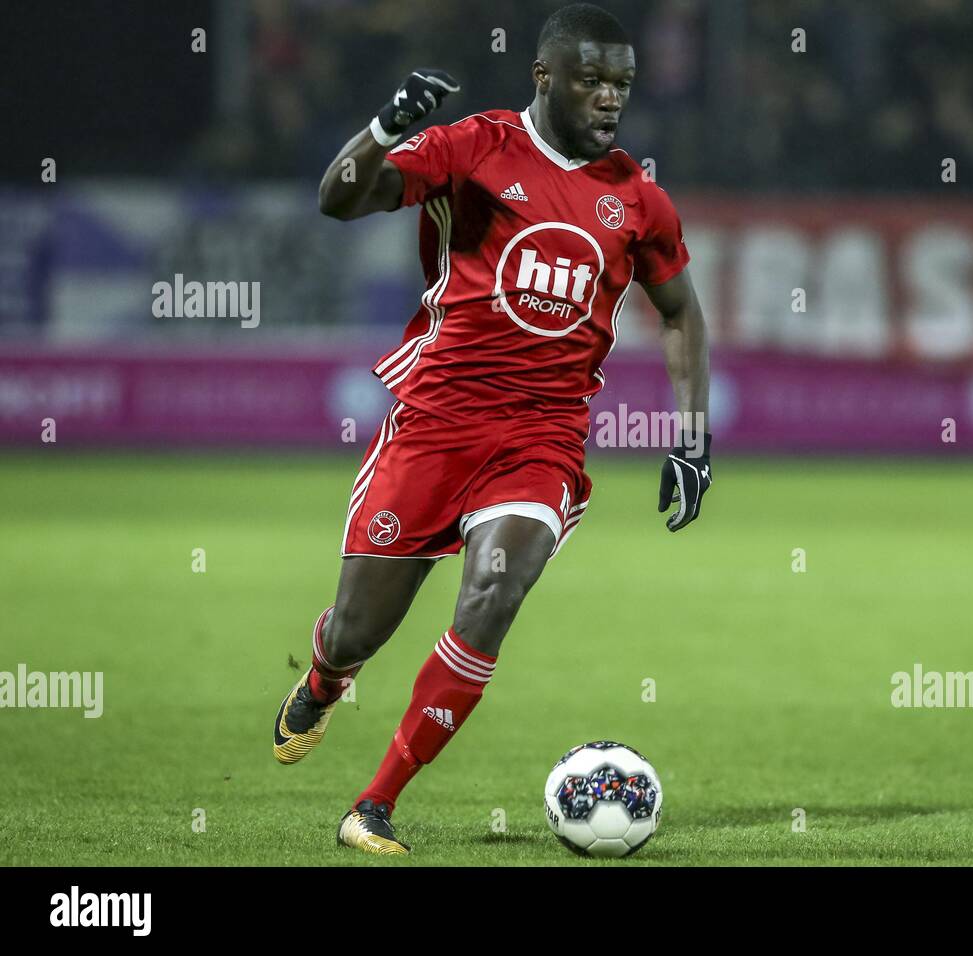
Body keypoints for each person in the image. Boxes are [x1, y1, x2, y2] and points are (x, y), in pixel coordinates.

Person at [272, 2, 713, 854]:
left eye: (621, 82)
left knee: (492, 595)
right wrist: (383, 130)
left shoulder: (639, 199)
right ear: (544, 76)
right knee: (360, 629)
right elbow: (340, 200)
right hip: (434, 424)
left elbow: (680, 311)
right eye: (590, 79)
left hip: (540, 439)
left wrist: (691, 436)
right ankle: (327, 677)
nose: (609, 97)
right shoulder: (474, 148)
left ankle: (374, 803)